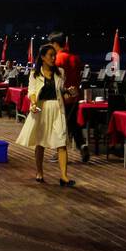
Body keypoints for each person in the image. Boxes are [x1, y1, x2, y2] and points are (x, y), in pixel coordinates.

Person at [15, 43, 74, 187]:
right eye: (50, 55)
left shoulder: (60, 72)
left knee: (61, 141)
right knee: (40, 142)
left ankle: (64, 176)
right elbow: (32, 92)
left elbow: (62, 93)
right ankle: (39, 172)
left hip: (57, 109)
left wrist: (70, 93)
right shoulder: (35, 74)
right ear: (42, 57)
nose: (54, 58)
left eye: (54, 55)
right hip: (42, 108)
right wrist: (34, 103)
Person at [49, 32, 88, 162]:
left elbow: (55, 79)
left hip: (62, 96)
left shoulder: (58, 59)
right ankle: (82, 145)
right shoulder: (75, 58)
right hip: (75, 96)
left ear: (55, 44)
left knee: (59, 125)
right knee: (72, 123)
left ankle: (60, 153)